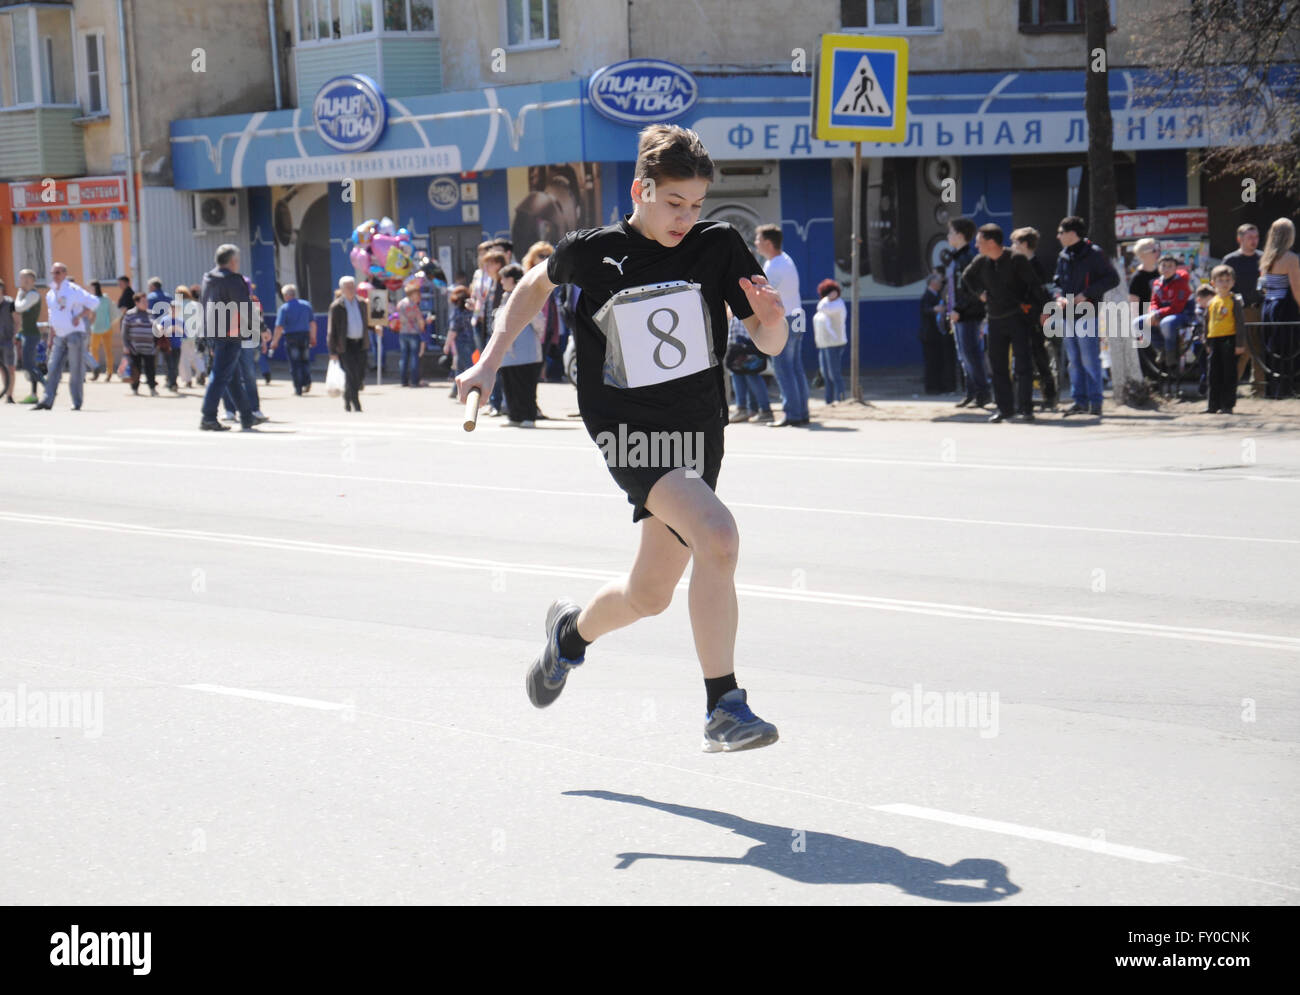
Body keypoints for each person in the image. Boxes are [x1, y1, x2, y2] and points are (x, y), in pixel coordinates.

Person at [455, 123, 789, 752]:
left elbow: (768, 340)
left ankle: (569, 638)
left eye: (696, 205)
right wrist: (491, 359)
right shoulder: (596, 249)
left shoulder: (718, 246)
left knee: (651, 592)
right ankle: (725, 707)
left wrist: (773, 324)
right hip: (627, 426)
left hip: (699, 429)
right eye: (673, 203)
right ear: (641, 190)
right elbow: (533, 286)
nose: (686, 217)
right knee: (718, 538)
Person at [961, 223, 1050, 423]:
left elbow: (1035, 286)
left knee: (1023, 365)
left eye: (979, 242)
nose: (977, 246)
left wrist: (1045, 311)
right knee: (998, 366)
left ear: (992, 242)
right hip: (994, 320)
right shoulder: (981, 262)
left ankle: (1026, 408)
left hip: (1017, 318)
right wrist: (979, 294)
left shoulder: (1016, 259)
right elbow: (966, 277)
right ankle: (1004, 409)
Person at [1053, 216, 1119, 418]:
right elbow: (1056, 282)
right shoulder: (1063, 255)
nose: (1058, 236)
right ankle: (1079, 401)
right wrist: (1058, 297)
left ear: (1072, 234)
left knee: (1090, 359)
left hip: (1087, 313)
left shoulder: (1094, 253)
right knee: (1073, 360)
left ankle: (1096, 401)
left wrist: (1086, 294)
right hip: (1067, 314)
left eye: (1061, 232)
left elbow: (1112, 278)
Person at [754, 222, 808, 426]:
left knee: (784, 368)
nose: (756, 244)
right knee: (795, 367)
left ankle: (792, 414)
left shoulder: (774, 265)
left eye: (758, 240)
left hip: (786, 319)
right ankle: (801, 412)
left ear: (768, 242)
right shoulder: (786, 260)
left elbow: (764, 295)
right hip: (798, 315)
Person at [198, 244, 257, 431]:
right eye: (237, 260)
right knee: (220, 375)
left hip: (214, 332)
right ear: (232, 261)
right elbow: (244, 306)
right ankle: (208, 416)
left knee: (231, 376)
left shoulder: (208, 279)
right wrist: (260, 327)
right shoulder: (233, 280)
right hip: (230, 333)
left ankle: (247, 416)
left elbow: (202, 304)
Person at [32, 261, 97, 411]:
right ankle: (47, 400)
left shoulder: (73, 290)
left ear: (65, 274)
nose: (55, 276)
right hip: (59, 335)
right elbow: (52, 316)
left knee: (75, 370)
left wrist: (79, 316)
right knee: (53, 367)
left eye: (58, 272)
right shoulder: (50, 294)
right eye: (53, 273)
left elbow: (93, 302)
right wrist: (50, 337)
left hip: (75, 335)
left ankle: (76, 402)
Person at [1009, 227, 1058, 410]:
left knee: (1040, 357)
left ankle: (1049, 396)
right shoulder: (1014, 265)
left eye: (1015, 242)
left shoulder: (1038, 266)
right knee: (1020, 359)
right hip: (1018, 318)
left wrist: (1043, 314)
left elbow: (1044, 294)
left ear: (1024, 244)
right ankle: (1021, 398)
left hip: (1036, 318)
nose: (1012, 246)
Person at [946, 217, 990, 409]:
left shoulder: (968, 258)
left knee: (971, 355)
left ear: (961, 235)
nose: (948, 236)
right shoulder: (955, 258)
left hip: (969, 314)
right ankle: (971, 392)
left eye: (951, 232)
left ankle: (983, 393)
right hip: (958, 314)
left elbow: (973, 290)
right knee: (963, 356)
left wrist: (958, 309)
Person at [495, 263, 543, 427]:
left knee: (526, 386)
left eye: (503, 278)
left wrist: (537, 339)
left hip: (526, 350)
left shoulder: (526, 295)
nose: (501, 282)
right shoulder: (504, 298)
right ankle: (515, 416)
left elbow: (539, 321)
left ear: (512, 279)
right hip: (508, 353)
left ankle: (529, 416)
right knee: (510, 385)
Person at [1259, 217, 1300, 398]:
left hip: (1268, 306)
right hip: (1284, 306)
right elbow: (1296, 288)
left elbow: (1264, 285)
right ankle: (1287, 388)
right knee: (1288, 348)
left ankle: (1273, 388)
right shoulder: (1291, 258)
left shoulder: (1266, 257)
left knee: (1272, 349)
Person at [1222, 224, 1265, 396]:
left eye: (1256, 237)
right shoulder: (1230, 260)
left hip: (1260, 308)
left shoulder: (1263, 257)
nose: (1254, 241)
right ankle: (1229, 389)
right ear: (1240, 239)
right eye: (1250, 237)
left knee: (1260, 351)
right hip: (1240, 310)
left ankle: (1260, 390)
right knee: (1243, 350)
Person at [1148, 253, 1198, 397]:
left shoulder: (1182, 282)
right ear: (1158, 267)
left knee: (1166, 323)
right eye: (1163, 265)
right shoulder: (1157, 283)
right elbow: (1154, 301)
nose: (1166, 268)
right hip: (1163, 314)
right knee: (1138, 323)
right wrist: (1153, 312)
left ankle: (1171, 357)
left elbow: (1177, 307)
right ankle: (1162, 349)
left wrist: (1158, 314)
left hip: (1183, 315)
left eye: (1170, 266)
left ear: (1176, 268)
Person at [221, 277, 268, 423]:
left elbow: (256, 321)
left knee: (248, 376)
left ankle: (254, 409)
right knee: (231, 376)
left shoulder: (250, 302)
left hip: (246, 341)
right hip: (229, 341)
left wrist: (262, 336)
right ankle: (230, 411)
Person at [1202, 265, 1245, 414]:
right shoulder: (1211, 302)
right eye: (1220, 280)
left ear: (1233, 282)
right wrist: (1206, 342)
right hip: (1214, 340)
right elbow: (1206, 323)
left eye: (1228, 280)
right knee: (1213, 373)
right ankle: (1212, 404)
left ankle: (1228, 405)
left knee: (1229, 373)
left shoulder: (1235, 300)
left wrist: (1239, 343)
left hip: (1229, 338)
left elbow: (1240, 323)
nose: (1224, 283)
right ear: (1213, 283)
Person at [328, 275, 371, 413]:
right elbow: (332, 330)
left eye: (353, 286)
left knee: (359, 375)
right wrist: (332, 351)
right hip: (345, 345)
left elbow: (366, 322)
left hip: (360, 343)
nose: (351, 289)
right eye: (348, 287)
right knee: (351, 374)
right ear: (342, 289)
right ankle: (356, 404)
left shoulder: (362, 303)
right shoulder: (337, 306)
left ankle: (347, 397)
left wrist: (376, 328)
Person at [725, 302, 773, 423]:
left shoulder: (749, 296)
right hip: (738, 344)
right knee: (737, 374)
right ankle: (744, 409)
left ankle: (765, 410)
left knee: (752, 375)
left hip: (747, 343)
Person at [271, 283, 317, 395]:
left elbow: (279, 327)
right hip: (305, 336)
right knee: (305, 360)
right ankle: (307, 381)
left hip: (291, 338)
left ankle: (298, 388)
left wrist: (275, 341)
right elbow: (313, 323)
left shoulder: (284, 308)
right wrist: (313, 337)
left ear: (286, 295)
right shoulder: (306, 305)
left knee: (294, 362)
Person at [813, 278, 848, 404]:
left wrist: (824, 300)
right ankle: (828, 400)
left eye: (834, 291)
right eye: (829, 292)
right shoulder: (825, 303)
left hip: (836, 342)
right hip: (823, 343)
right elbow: (821, 307)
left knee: (834, 373)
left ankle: (841, 398)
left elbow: (823, 308)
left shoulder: (839, 304)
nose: (832, 294)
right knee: (825, 374)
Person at [917, 273, 950, 394]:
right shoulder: (927, 296)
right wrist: (934, 309)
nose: (940, 284)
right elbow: (925, 310)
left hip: (937, 334)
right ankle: (931, 387)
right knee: (931, 362)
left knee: (939, 361)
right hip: (929, 335)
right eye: (939, 282)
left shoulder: (936, 295)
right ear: (933, 283)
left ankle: (939, 385)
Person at [15, 269, 44, 403]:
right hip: (27, 333)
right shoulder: (28, 295)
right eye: (22, 280)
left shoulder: (32, 295)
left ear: (33, 281)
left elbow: (19, 308)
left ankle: (48, 387)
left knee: (28, 365)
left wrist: (19, 294)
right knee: (30, 365)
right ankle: (34, 394)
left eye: (26, 280)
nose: (23, 283)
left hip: (32, 335)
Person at [121, 294, 159, 396]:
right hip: (134, 348)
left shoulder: (151, 314)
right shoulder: (130, 314)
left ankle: (152, 388)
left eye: (146, 302)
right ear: (137, 303)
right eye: (143, 302)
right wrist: (126, 346)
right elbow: (124, 332)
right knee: (135, 369)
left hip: (149, 348)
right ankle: (135, 388)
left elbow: (156, 331)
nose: (146, 304)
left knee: (150, 369)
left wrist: (156, 344)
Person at [444, 284, 476, 399]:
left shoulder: (456, 312)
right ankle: (455, 390)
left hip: (462, 342)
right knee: (467, 366)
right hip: (474, 341)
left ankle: (461, 390)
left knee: (463, 366)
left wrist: (447, 344)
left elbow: (453, 330)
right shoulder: (472, 310)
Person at [394, 280, 426, 387]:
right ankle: (414, 381)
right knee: (414, 357)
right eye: (417, 294)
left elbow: (399, 318)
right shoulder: (414, 306)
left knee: (404, 357)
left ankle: (403, 381)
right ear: (412, 294)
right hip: (413, 333)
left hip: (402, 333)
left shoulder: (400, 303)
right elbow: (420, 320)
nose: (418, 296)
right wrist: (422, 327)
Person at [87, 280, 115, 382]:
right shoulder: (106, 298)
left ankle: (96, 371)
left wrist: (88, 326)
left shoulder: (93, 300)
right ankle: (109, 373)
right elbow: (111, 311)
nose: (89, 290)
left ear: (94, 289)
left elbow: (92, 316)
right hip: (108, 327)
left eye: (90, 288)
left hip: (96, 329)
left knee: (93, 350)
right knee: (108, 351)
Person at [0, 279, 15, 403]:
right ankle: (6, 393)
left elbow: (18, 320)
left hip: (8, 340)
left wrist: (15, 336)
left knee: (10, 368)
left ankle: (10, 395)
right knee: (2, 369)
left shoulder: (10, 303)